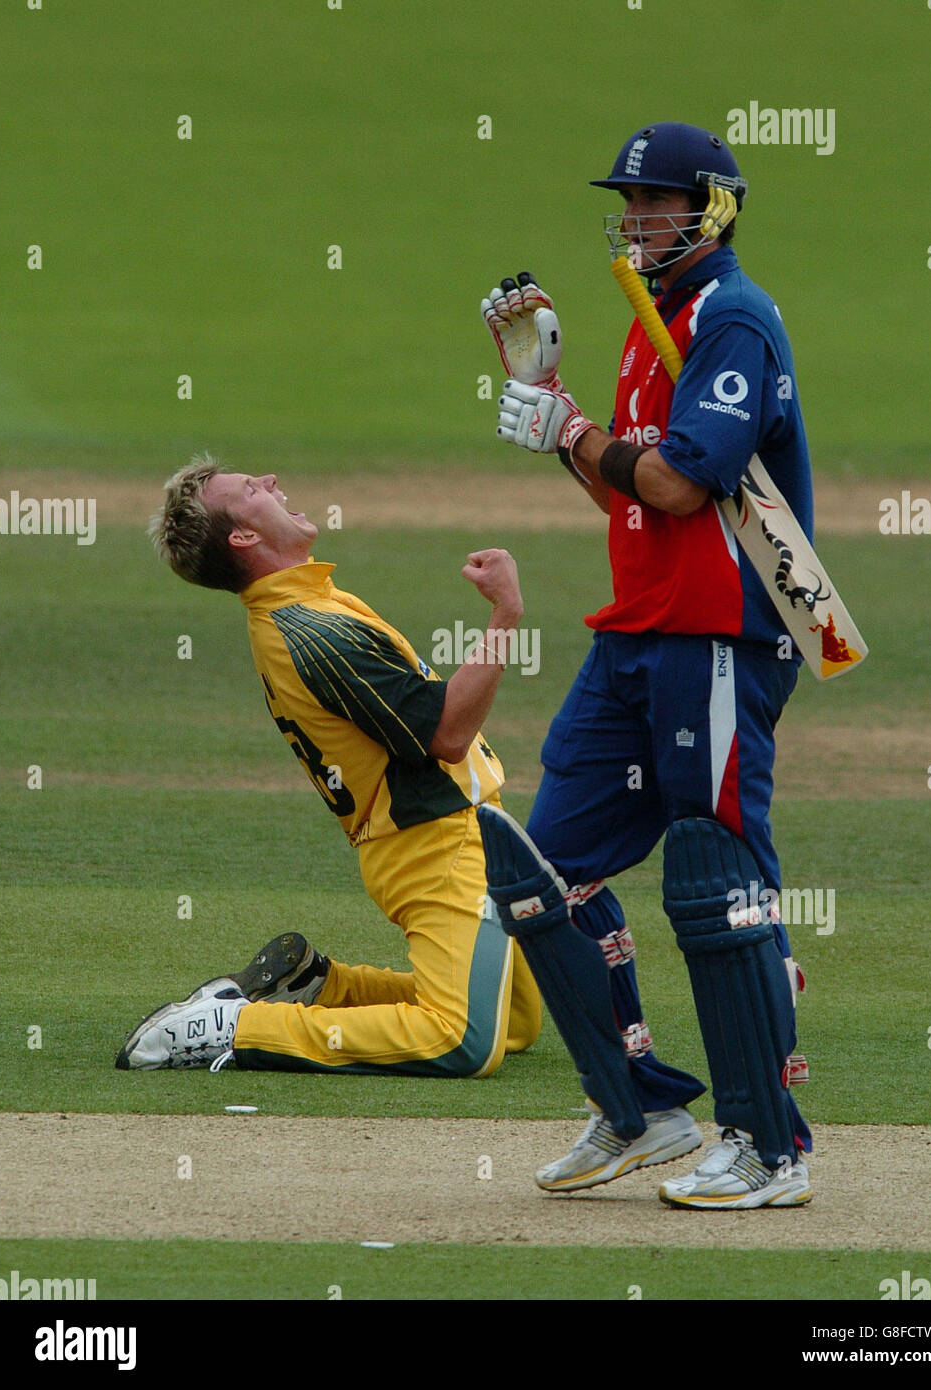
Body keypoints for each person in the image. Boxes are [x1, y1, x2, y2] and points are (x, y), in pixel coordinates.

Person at [478, 121, 812, 1209]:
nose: (634, 219)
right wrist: (564, 425)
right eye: (627, 202)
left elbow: (677, 483)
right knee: (540, 869)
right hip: (636, 630)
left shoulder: (732, 320)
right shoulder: (648, 323)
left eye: (656, 202)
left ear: (711, 207)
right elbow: (630, 487)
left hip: (718, 632)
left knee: (713, 881)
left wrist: (579, 437)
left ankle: (769, 1143)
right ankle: (639, 1105)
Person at [116, 456, 541, 1076]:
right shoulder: (308, 629)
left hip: (462, 828)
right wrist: (504, 616)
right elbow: (448, 733)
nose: (267, 480)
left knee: (517, 1024)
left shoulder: (307, 603)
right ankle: (236, 1026)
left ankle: (320, 987)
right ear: (243, 537)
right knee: (464, 1041)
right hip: (435, 841)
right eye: (248, 489)